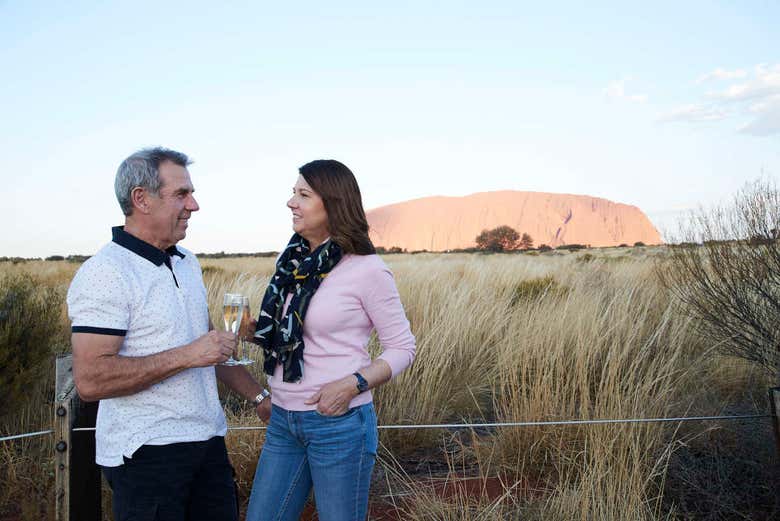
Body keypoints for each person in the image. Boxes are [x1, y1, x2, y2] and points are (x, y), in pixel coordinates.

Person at [67, 147, 270, 521]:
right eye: (181, 194)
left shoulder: (186, 261)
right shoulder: (106, 272)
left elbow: (210, 346)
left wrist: (259, 397)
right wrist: (189, 354)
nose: (194, 205)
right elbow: (91, 381)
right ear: (141, 199)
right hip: (146, 455)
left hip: (207, 444)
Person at [246, 159, 416, 521]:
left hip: (338, 423)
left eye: (303, 194)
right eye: (293, 193)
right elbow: (292, 334)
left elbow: (402, 348)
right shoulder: (290, 261)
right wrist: (253, 331)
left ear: (333, 203)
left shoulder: (367, 270)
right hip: (282, 420)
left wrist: (353, 384)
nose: (291, 202)